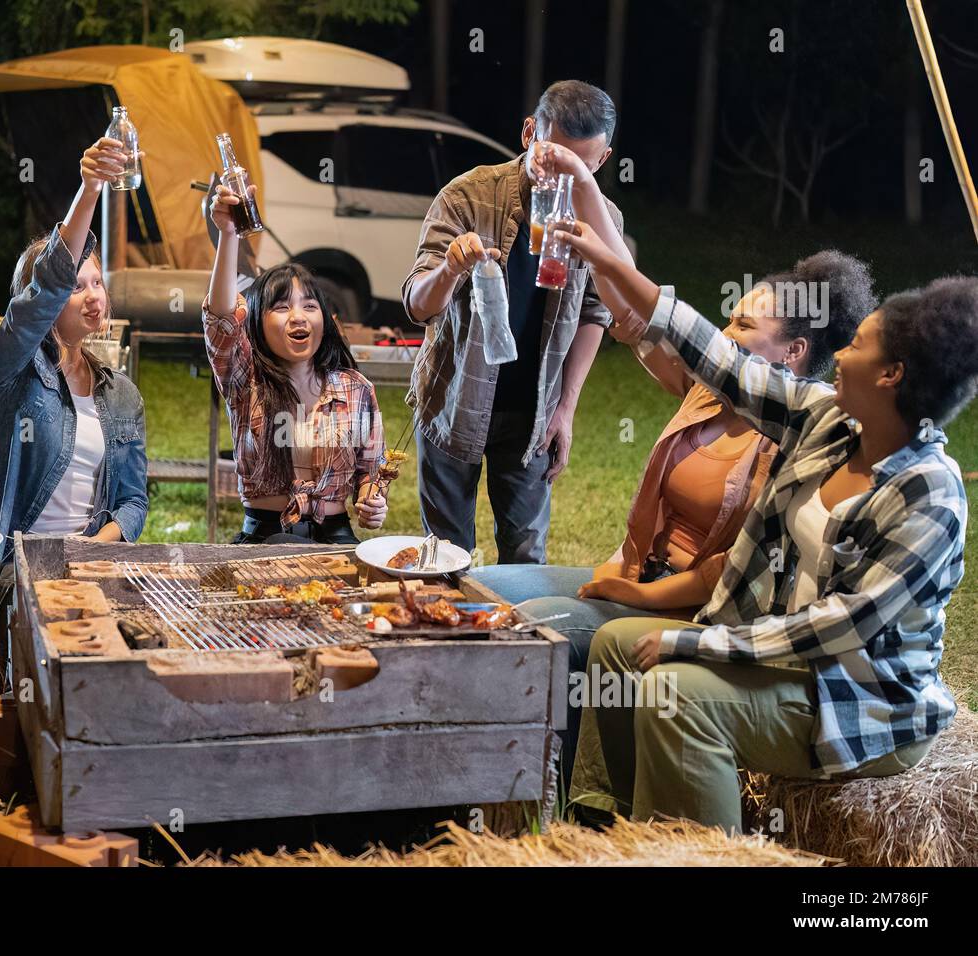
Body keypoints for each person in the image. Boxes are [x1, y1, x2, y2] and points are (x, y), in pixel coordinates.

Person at [557, 221, 974, 832]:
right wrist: (612, 264)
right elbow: (718, 358)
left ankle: (702, 854)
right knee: (615, 647)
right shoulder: (829, 422)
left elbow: (839, 629)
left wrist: (697, 642)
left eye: (856, 346)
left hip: (856, 700)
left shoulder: (930, 496)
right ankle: (623, 830)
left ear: (892, 375)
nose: (839, 357)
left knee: (677, 696)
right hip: (785, 660)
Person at [472, 251, 874, 785]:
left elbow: (736, 569)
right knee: (480, 590)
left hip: (698, 609)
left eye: (744, 325)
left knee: (544, 626)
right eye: (730, 319)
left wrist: (635, 596)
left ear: (794, 351)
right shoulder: (705, 394)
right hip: (639, 575)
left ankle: (555, 795)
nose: (725, 332)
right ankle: (473, 764)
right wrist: (592, 244)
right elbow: (645, 327)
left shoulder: (794, 441)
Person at [403, 79, 628, 564]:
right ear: (529, 132)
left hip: (534, 415)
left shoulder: (602, 217)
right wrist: (450, 269)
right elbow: (418, 305)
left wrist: (565, 407)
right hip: (454, 399)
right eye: (552, 158)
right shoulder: (467, 196)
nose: (558, 180)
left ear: (602, 162)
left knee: (526, 559)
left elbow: (598, 311)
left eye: (578, 168)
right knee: (445, 557)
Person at [0, 134, 149, 560]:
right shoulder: (12, 367)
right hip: (13, 566)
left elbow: (132, 503)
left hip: (88, 563)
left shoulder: (121, 394)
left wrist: (87, 552)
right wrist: (90, 189)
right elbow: (44, 291)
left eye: (97, 283)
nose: (94, 297)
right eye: (75, 288)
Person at [204, 182, 387, 543]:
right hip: (264, 535)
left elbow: (372, 471)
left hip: (336, 538)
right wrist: (229, 235)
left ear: (324, 319)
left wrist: (372, 502)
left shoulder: (355, 388)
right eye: (282, 307)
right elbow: (220, 319)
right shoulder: (245, 379)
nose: (298, 317)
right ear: (258, 321)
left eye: (309, 306)